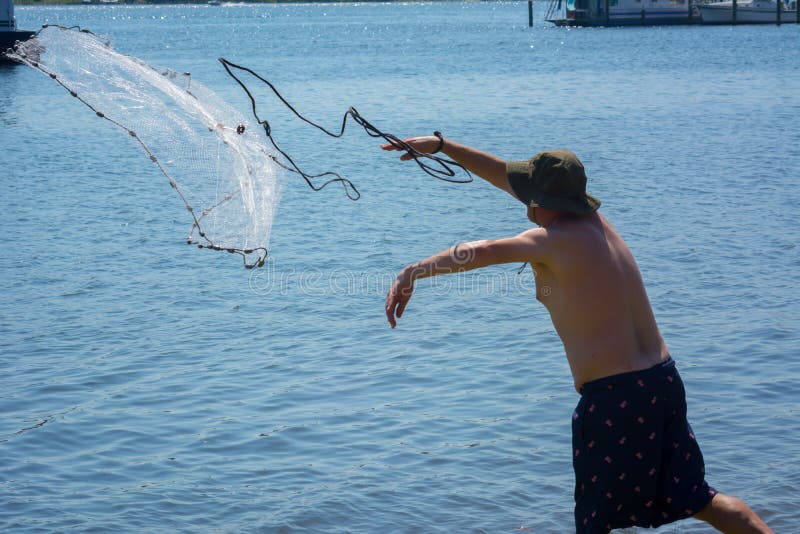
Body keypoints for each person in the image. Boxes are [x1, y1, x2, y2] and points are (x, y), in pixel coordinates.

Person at [381, 135, 772, 534]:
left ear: (537, 200)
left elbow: (482, 250)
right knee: (698, 499)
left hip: (616, 396)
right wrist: (443, 146)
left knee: (594, 522)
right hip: (663, 381)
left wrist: (413, 272)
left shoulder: (550, 242)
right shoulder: (600, 226)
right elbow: (505, 176)